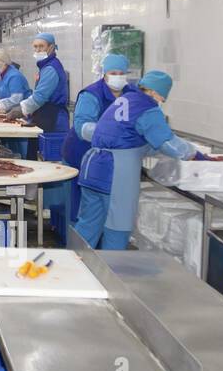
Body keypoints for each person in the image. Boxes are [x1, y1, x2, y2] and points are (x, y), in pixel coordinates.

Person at [75, 71, 209, 251]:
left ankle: (74, 269)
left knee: (87, 226)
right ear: (155, 92)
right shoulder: (147, 108)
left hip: (92, 167)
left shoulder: (125, 99)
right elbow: (169, 144)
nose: (161, 101)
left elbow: (126, 135)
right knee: (117, 228)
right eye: (162, 96)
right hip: (117, 173)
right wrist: (200, 156)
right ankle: (112, 273)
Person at [63, 54, 135, 227]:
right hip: (80, 154)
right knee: (79, 206)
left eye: (121, 73)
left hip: (107, 160)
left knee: (101, 210)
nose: (117, 77)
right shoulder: (92, 94)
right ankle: (74, 244)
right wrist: (113, 135)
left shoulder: (131, 94)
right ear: (104, 74)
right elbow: (82, 127)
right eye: (113, 73)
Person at [0, 46, 31, 157]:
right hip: (8, 115)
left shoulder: (14, 76)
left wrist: (0, 104)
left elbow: (16, 98)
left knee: (19, 148)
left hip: (21, 116)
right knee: (9, 147)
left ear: (3, 62)